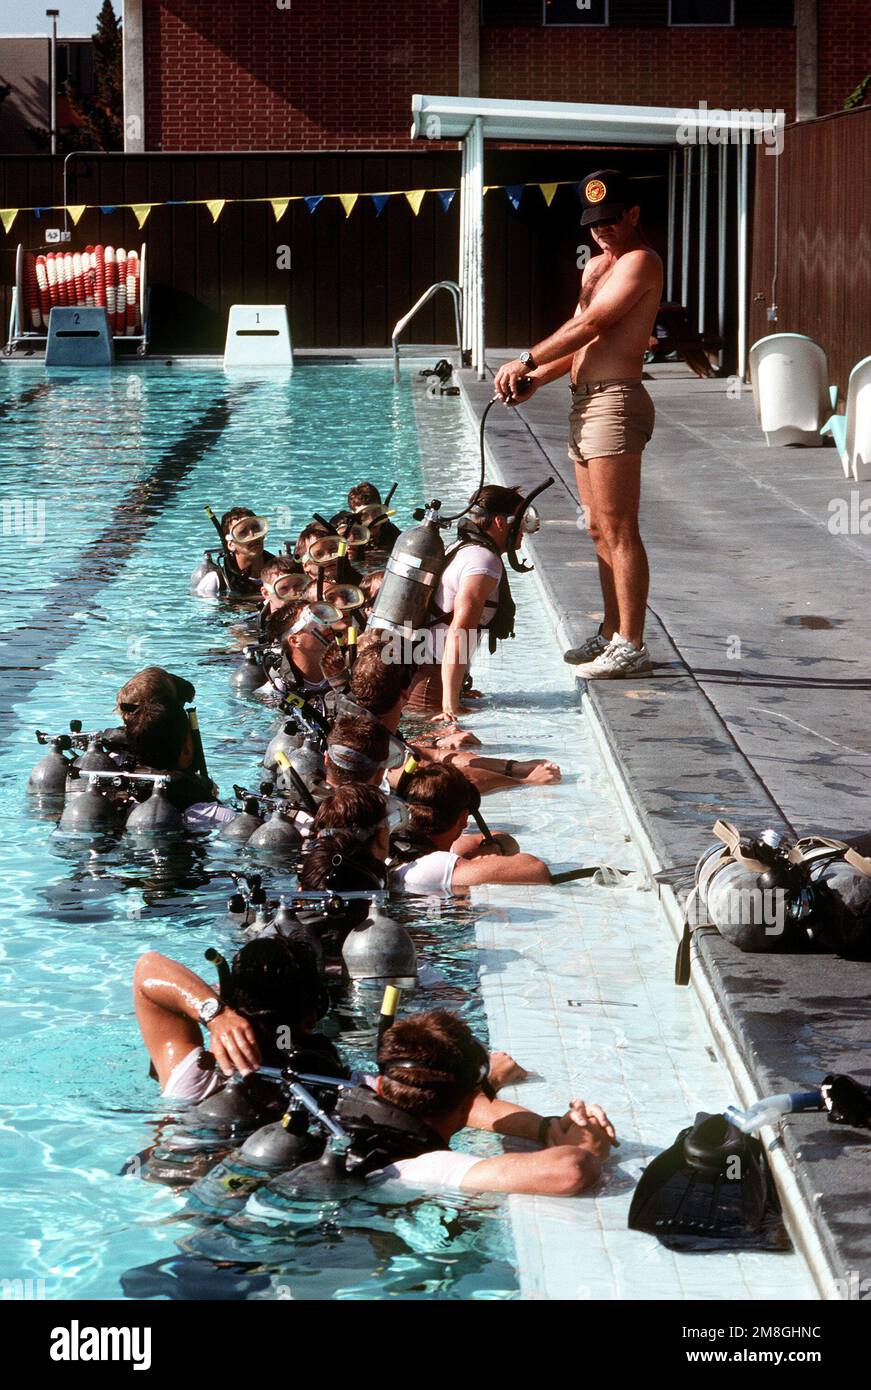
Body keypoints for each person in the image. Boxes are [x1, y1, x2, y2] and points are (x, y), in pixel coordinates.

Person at [494, 169, 663, 680]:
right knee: (594, 526)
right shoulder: (593, 268)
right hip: (583, 400)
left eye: (612, 220)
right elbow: (580, 340)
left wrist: (523, 358)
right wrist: (539, 378)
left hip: (615, 401)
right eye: (594, 223)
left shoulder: (641, 262)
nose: (603, 231)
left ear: (633, 215)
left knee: (619, 525)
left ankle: (632, 645)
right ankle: (611, 632)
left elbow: (594, 325)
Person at [371, 1011, 617, 1194]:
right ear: (469, 1099)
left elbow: (463, 1104)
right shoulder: (424, 1168)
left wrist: (550, 1128)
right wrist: (588, 1150)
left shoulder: (350, 1100)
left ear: (380, 1085)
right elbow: (572, 1172)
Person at [133, 937, 341, 1104]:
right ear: (310, 1020)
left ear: (231, 1003)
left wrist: (216, 1015)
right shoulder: (340, 1084)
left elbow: (148, 966)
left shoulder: (198, 1081)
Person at [404, 484, 528, 720]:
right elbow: (460, 630)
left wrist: (459, 689)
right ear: (501, 522)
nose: (524, 530)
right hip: (430, 687)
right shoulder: (484, 562)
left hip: (427, 676)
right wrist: (450, 706)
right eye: (521, 521)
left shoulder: (461, 548)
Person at [389, 762, 552, 893]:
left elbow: (504, 839)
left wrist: (492, 848)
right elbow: (536, 870)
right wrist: (486, 861)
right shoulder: (434, 866)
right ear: (463, 819)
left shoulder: (393, 839)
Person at [195, 508, 276, 600]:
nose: (252, 535)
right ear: (231, 544)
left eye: (256, 528)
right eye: (242, 532)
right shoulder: (217, 581)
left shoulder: (282, 572)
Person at [348, 481, 401, 551]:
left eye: (376, 512)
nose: (372, 519)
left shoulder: (392, 533)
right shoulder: (351, 537)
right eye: (364, 515)